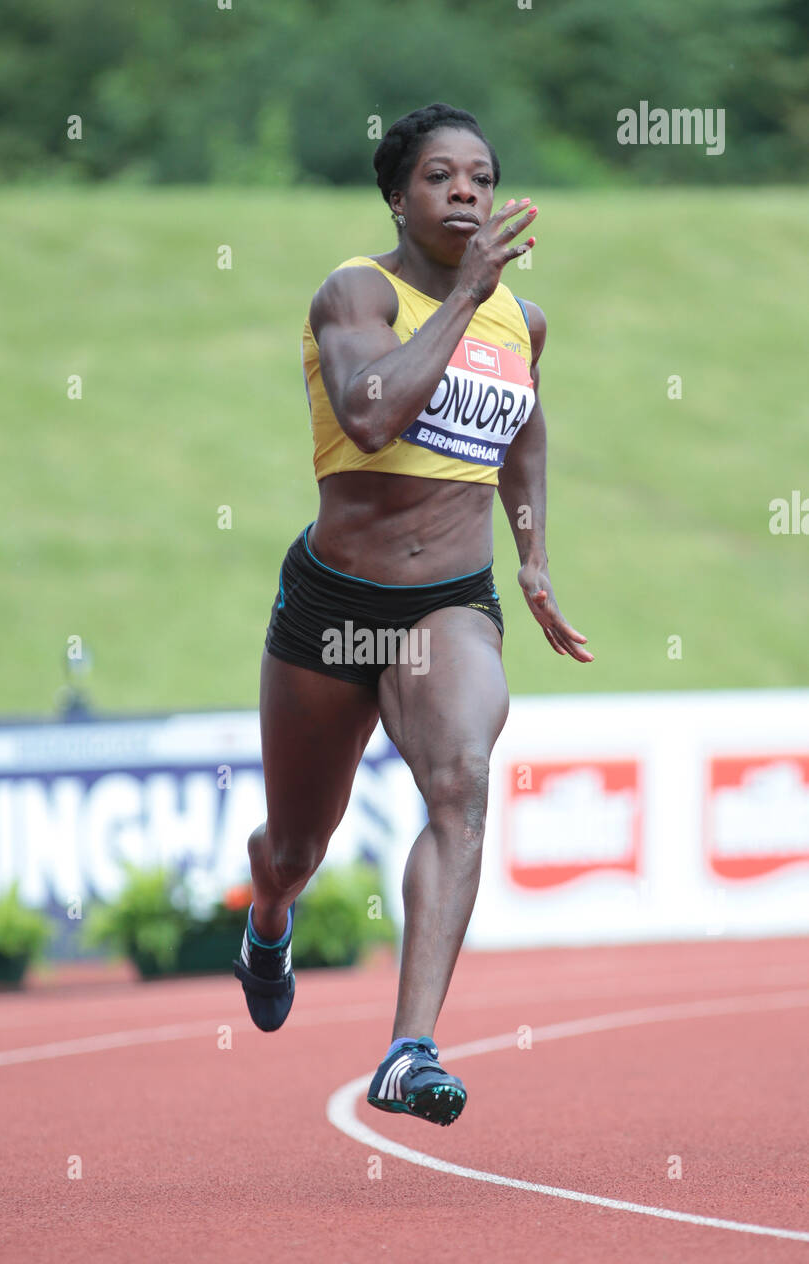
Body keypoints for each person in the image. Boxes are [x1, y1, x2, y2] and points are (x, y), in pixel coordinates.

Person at [234, 102, 593, 1126]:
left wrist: (530, 556)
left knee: (458, 781)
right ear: (398, 196)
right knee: (297, 844)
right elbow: (372, 412)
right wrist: (465, 294)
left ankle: (409, 1047)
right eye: (440, 176)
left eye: (480, 176)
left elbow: (520, 422)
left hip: (448, 602)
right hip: (335, 605)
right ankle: (267, 915)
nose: (466, 192)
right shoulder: (355, 291)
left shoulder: (516, 321)